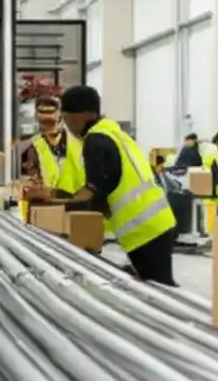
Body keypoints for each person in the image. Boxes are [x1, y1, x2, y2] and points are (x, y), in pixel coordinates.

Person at [22, 86, 178, 286]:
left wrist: (50, 203)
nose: (67, 125)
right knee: (157, 285)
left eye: (68, 118)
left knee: (160, 291)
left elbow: (91, 197)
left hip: (145, 228)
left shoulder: (96, 141)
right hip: (155, 222)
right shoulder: (112, 132)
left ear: (85, 115)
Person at [20, 96, 86, 196]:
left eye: (50, 112)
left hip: (77, 204)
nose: (46, 117)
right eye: (43, 113)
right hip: (50, 205)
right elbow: (32, 181)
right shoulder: (33, 146)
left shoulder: (79, 142)